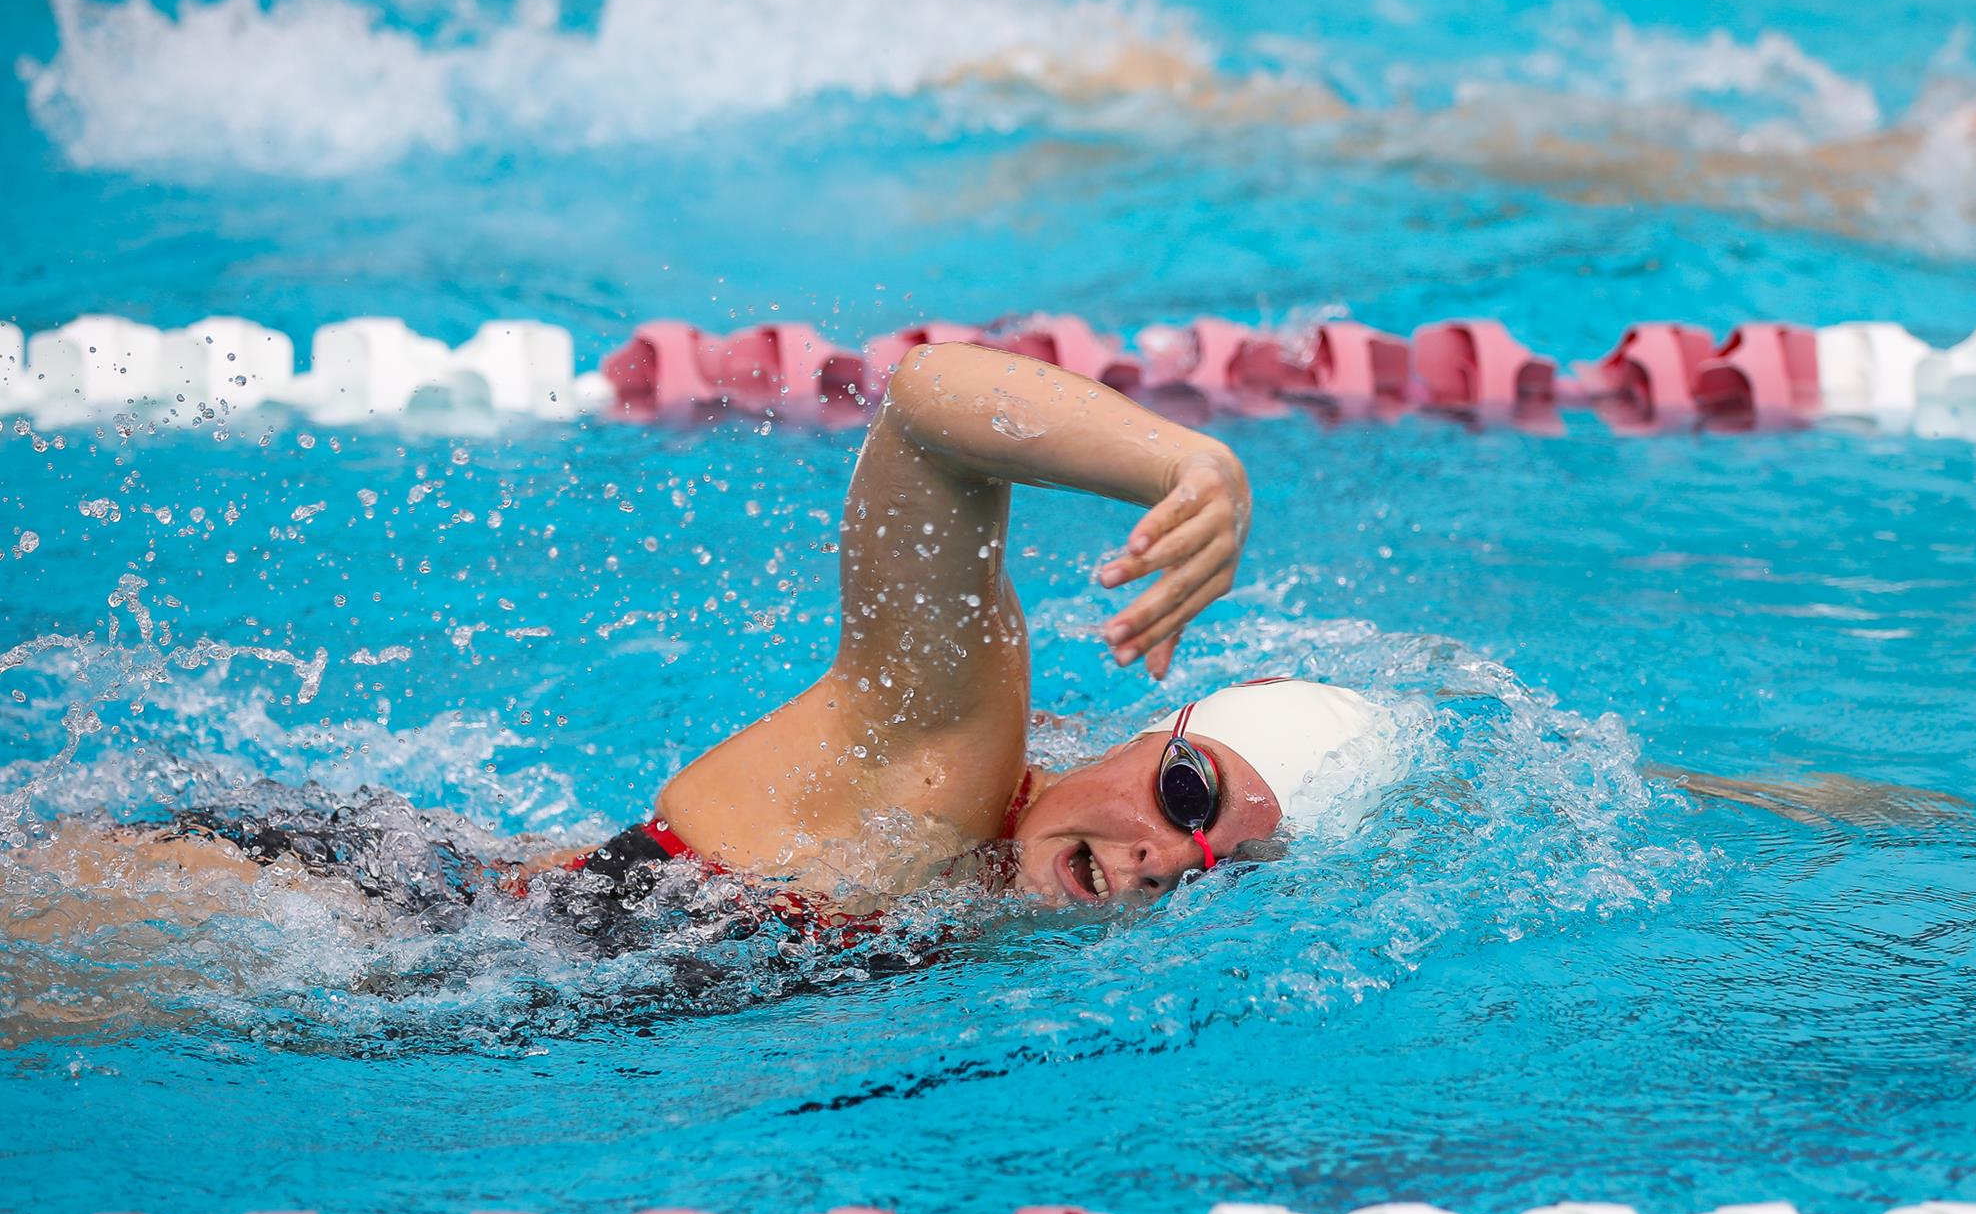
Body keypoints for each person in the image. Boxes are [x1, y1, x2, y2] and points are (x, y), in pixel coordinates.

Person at [4, 342, 1403, 952]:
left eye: (1217, 875)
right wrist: (1185, 459)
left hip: (405, 919)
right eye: (1189, 795)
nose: (1173, 859)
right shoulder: (948, 761)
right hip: (297, 916)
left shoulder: (998, 903)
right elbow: (927, 407)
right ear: (1137, 740)